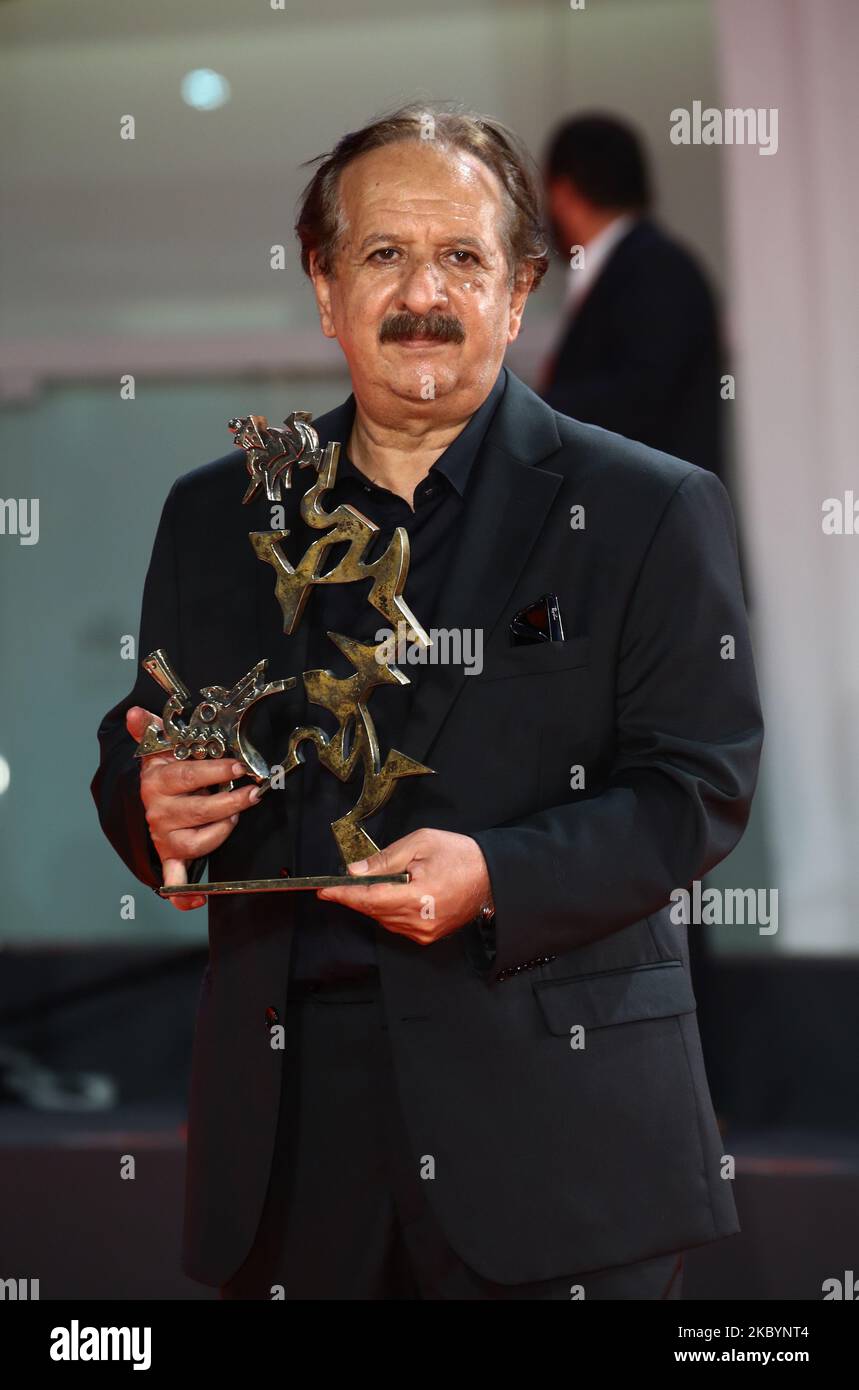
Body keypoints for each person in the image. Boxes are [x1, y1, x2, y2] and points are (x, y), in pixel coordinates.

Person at [92, 103, 763, 1300]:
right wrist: (152, 808)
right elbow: (151, 732)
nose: (423, 293)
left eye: (463, 256)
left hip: (559, 1138)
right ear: (323, 283)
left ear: (517, 293)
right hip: (290, 1147)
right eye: (385, 254)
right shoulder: (217, 515)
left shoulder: (646, 509)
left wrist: (500, 874)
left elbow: (695, 788)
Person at [541, 112, 726, 481]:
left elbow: (639, 398)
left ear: (563, 194)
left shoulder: (655, 268)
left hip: (660, 526)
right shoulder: (648, 264)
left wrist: (523, 408)